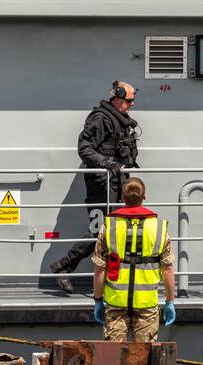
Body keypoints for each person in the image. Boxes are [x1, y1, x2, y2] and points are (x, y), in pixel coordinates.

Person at [92, 176, 176, 365]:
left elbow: (99, 270)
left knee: (114, 360)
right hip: (146, 306)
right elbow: (168, 270)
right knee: (144, 360)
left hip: (115, 305)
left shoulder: (108, 228)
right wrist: (171, 301)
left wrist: (97, 300)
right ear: (144, 197)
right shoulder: (160, 229)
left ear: (122, 199)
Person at [49, 80, 140, 292]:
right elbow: (85, 148)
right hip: (102, 183)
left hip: (117, 181)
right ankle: (64, 266)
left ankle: (113, 276)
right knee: (100, 229)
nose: (132, 104)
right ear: (117, 99)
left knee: (117, 229)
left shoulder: (120, 120)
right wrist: (106, 163)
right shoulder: (101, 119)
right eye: (129, 100)